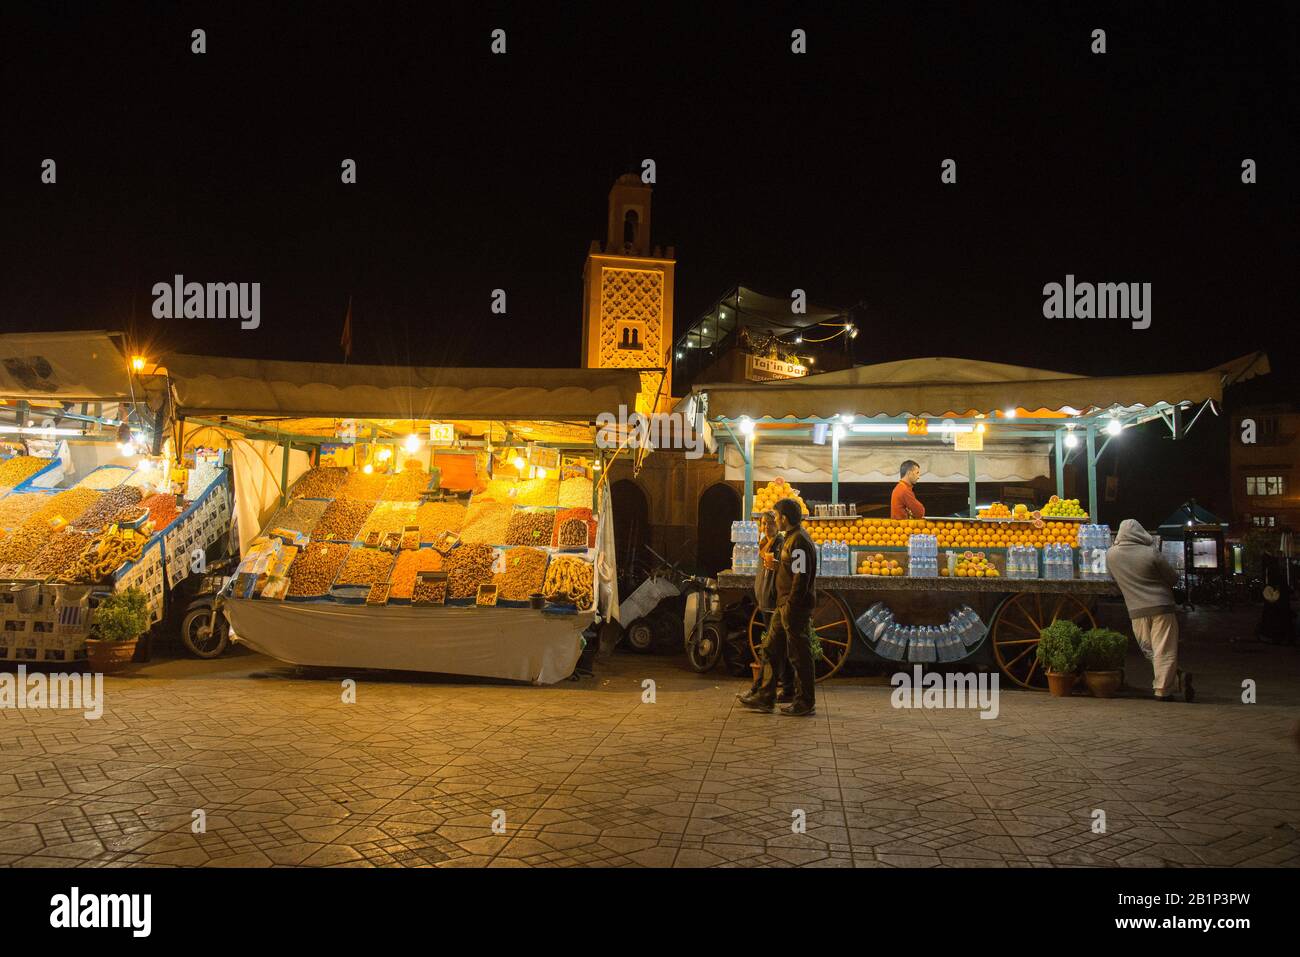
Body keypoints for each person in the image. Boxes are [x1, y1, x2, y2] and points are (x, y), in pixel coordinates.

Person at [738, 497, 817, 716]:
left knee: (799, 655)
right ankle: (765, 696)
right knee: (770, 648)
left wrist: (791, 604)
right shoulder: (792, 539)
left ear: (784, 518)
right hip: (784, 605)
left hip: (793, 607)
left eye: (777, 516)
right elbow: (793, 569)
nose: (775, 520)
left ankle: (805, 702)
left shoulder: (799, 541)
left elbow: (801, 577)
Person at [1107, 519, 1195, 702]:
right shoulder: (1151, 553)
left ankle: (1166, 686)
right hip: (1162, 607)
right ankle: (1170, 684)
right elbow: (1172, 578)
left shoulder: (1111, 555)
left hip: (1136, 610)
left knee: (1149, 649)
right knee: (1164, 649)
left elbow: (1114, 581)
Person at [749, 510, 796, 702]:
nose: (766, 527)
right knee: (776, 646)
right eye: (763, 524)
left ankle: (764, 690)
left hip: (773, 600)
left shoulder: (780, 543)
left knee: (773, 647)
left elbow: (788, 572)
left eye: (770, 523)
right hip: (764, 600)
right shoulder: (763, 543)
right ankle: (784, 688)